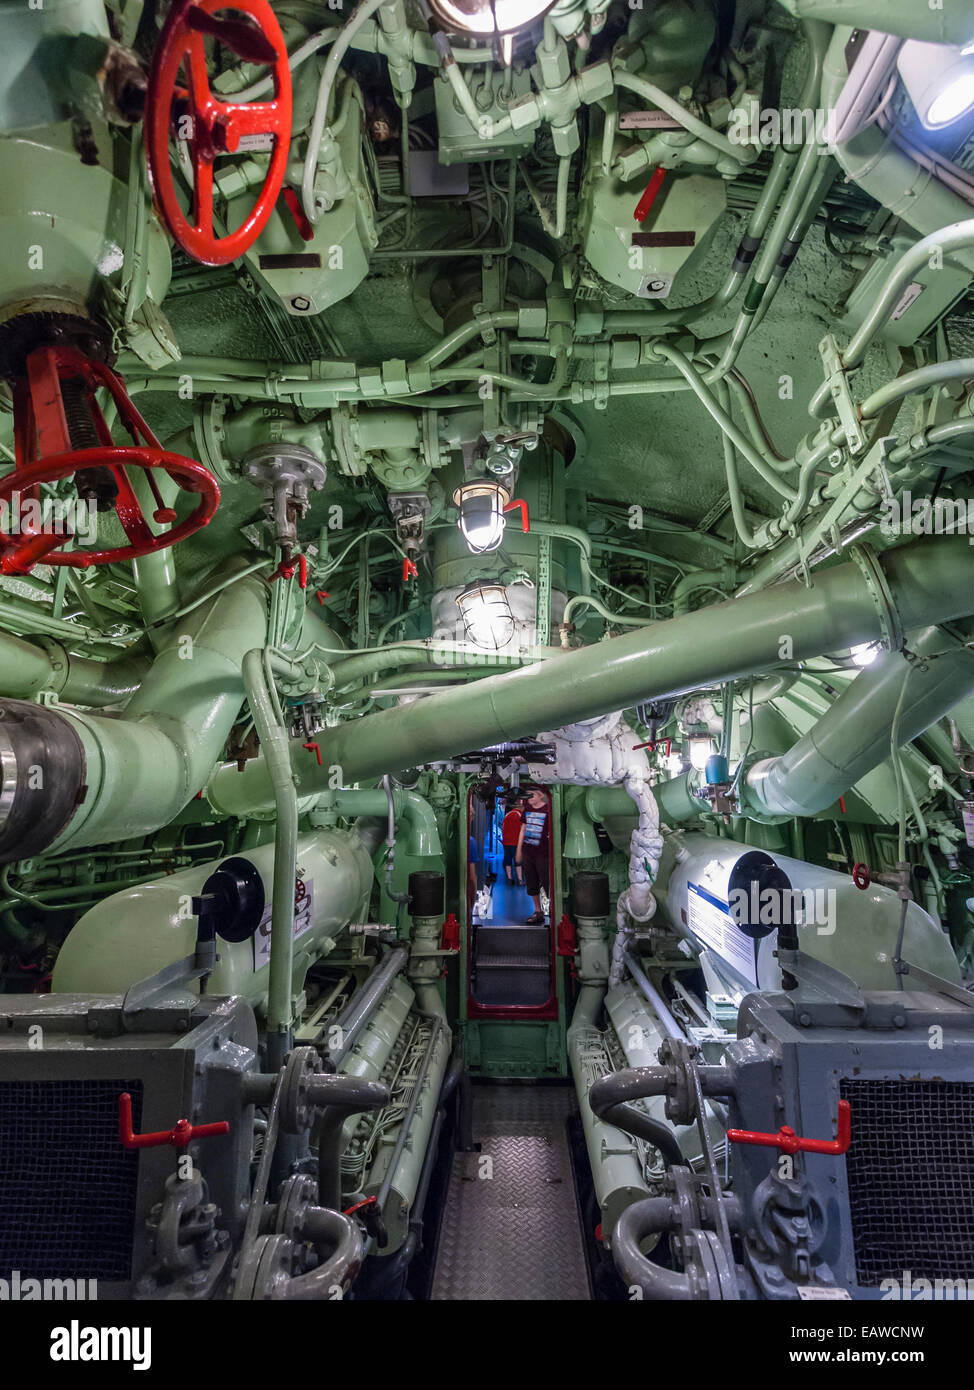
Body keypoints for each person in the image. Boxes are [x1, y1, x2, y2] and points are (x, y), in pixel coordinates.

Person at [516, 788, 550, 925]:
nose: (529, 797)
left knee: (547, 881)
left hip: (543, 853)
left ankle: (553, 908)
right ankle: (538, 911)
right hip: (528, 853)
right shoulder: (527, 810)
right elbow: (523, 829)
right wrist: (519, 850)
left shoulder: (548, 810)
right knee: (531, 882)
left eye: (532, 794)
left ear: (540, 795)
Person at [501, 799, 525, 885]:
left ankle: (509, 878)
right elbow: (523, 829)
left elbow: (503, 827)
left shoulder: (507, 815)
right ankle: (520, 879)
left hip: (506, 842)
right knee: (517, 861)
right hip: (516, 843)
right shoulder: (520, 815)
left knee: (507, 860)